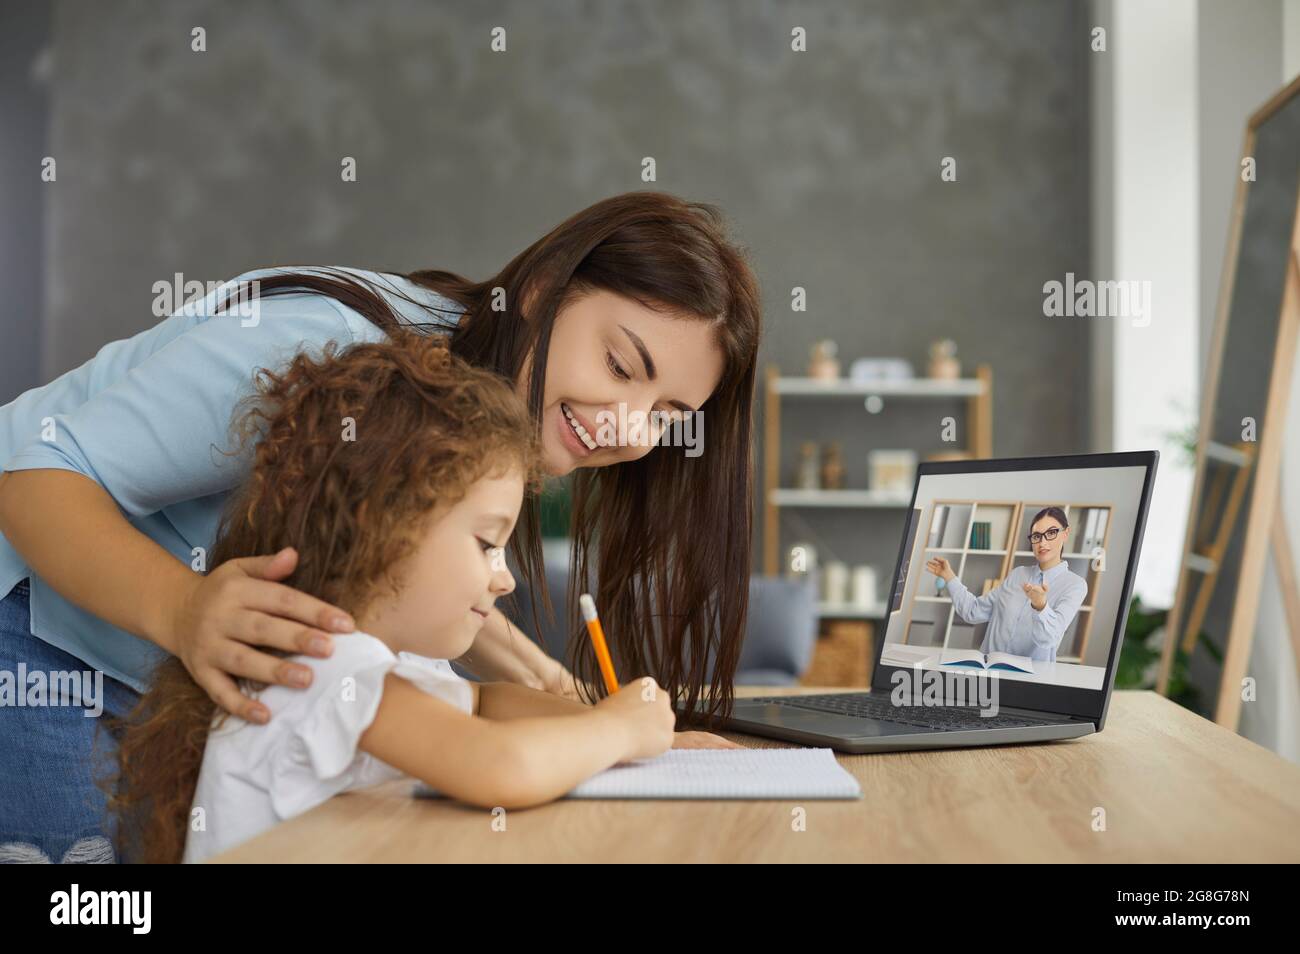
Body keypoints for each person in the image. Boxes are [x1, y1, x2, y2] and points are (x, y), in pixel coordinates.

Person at [0, 191, 760, 862]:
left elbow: (408, 573)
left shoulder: (473, 409)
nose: (627, 425)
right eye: (622, 367)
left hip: (153, 652)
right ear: (540, 292)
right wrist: (182, 608)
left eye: (667, 417)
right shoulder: (331, 351)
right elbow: (37, 479)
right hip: (29, 606)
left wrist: (586, 709)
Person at [924, 506, 1087, 663]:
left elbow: (1048, 640)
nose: (1042, 543)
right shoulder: (1018, 574)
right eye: (1036, 536)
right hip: (989, 673)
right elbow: (973, 611)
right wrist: (949, 577)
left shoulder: (1075, 585)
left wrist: (1041, 607)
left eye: (1051, 533)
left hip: (1029, 683)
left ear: (1065, 533)